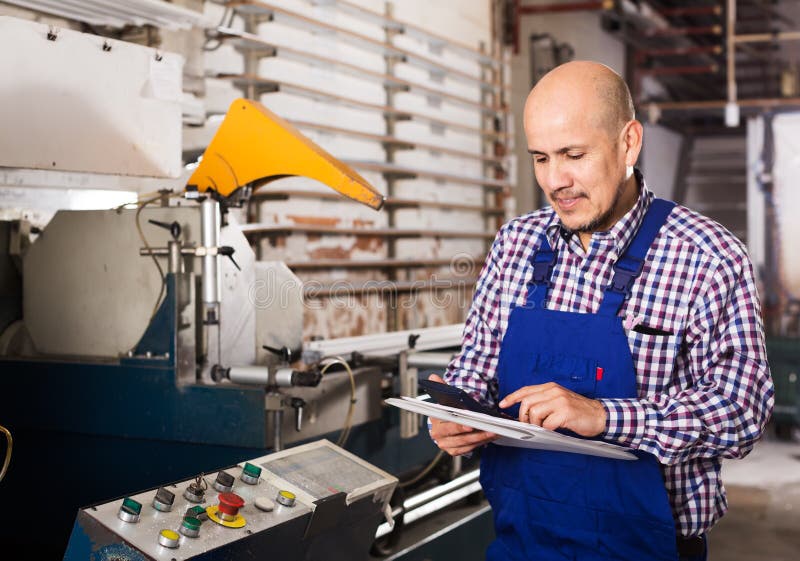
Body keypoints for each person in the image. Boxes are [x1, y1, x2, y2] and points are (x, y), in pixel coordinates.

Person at [428, 60, 774, 561]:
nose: (555, 181)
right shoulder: (515, 245)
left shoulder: (707, 257)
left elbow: (743, 413)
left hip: (648, 548)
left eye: (573, 154)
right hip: (523, 543)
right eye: (541, 158)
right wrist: (456, 411)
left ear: (628, 143)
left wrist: (604, 416)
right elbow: (476, 365)